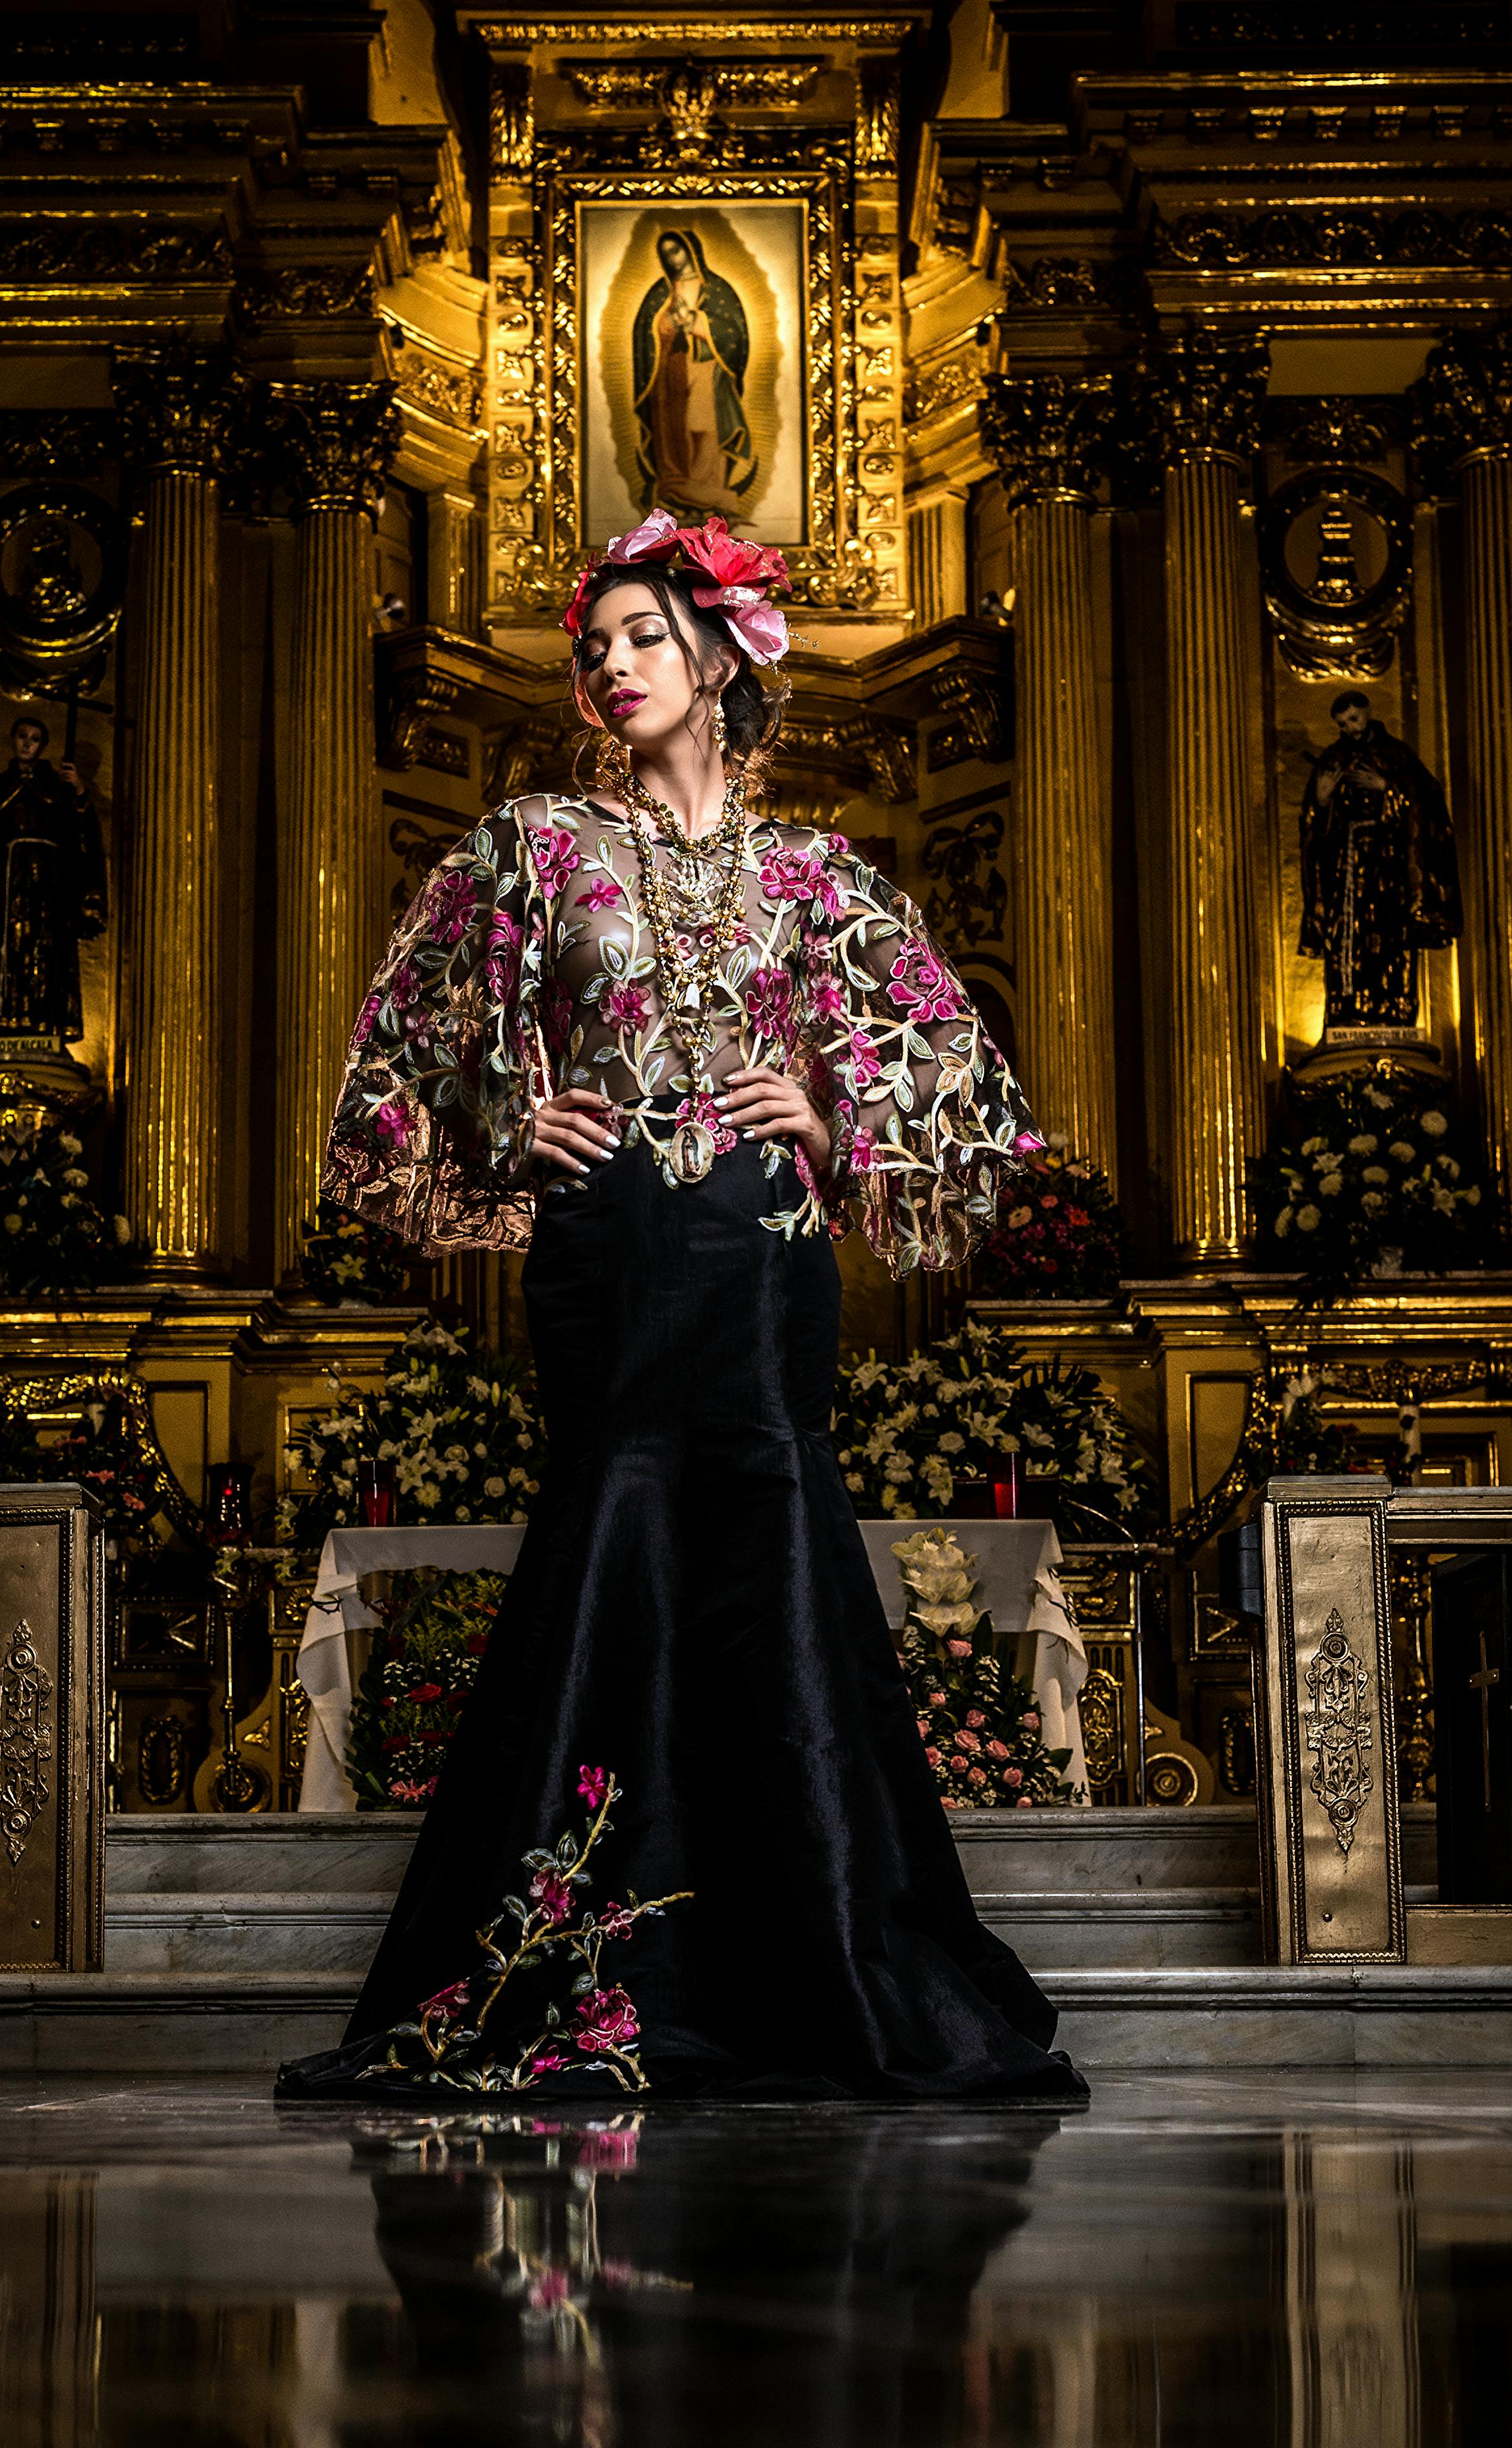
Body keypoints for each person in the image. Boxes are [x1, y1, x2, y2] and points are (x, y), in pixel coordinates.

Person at [278, 507, 1085, 2107]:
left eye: (644, 636)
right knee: (615, 1535)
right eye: (596, 647)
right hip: (612, 1269)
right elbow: (388, 1075)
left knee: (775, 1548)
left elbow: (965, 1088)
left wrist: (832, 1116)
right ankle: (588, 1970)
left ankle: (821, 1968)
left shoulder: (816, 873)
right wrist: (512, 1146)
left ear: (719, 656)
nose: (612, 663)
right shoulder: (528, 849)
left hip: (765, 1269)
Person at [1299, 689, 1461, 1029]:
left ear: (1368, 713)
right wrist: (1323, 799)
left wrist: (1388, 788)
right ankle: (1348, 1009)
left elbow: (1429, 806)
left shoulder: (1397, 755)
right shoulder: (1334, 758)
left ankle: (1395, 1008)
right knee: (1348, 938)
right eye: (1342, 725)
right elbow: (1315, 828)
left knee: (1391, 938)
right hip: (1346, 867)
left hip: (1389, 867)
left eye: (1354, 720)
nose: (1350, 730)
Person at [0, 714, 106, 1039]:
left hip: (47, 889)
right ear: (13, 740)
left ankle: (43, 1022)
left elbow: (80, 835)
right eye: (22, 736)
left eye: (34, 738)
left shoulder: (56, 789)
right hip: (5, 889)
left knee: (44, 953)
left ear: (43, 746)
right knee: (4, 953)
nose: (27, 744)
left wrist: (79, 793)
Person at [632, 227, 756, 515]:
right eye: (666, 255)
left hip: (706, 370)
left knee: (705, 429)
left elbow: (734, 332)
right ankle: (674, 487)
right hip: (669, 373)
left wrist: (698, 322)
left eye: (676, 251)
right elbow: (644, 333)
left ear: (691, 250)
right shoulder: (660, 293)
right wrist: (668, 326)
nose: (673, 259)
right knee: (673, 430)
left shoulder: (717, 289)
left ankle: (709, 492)